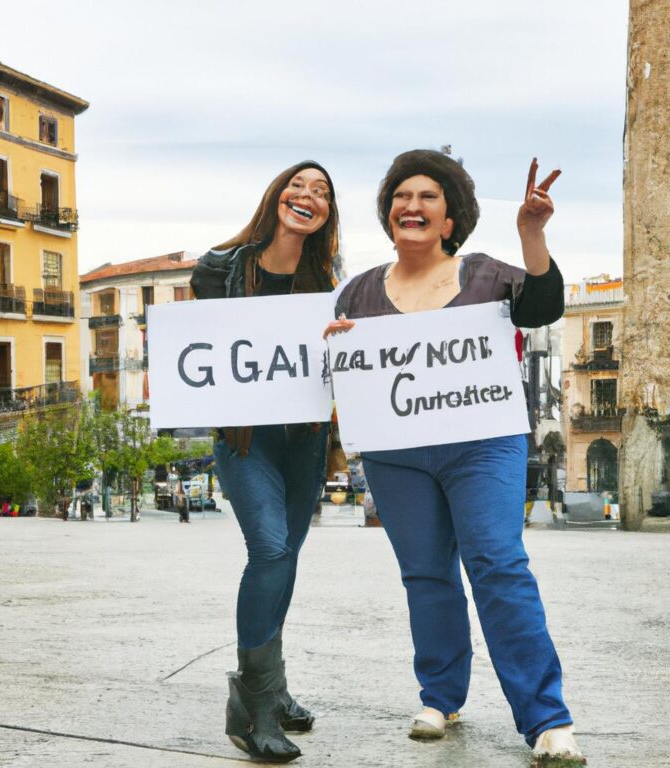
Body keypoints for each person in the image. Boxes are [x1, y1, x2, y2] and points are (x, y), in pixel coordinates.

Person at [324, 150, 584, 764]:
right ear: (390, 214)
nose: (411, 205)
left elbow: (544, 305)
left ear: (449, 219)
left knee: (498, 563)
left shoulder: (488, 274)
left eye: (427, 197)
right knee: (426, 575)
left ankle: (546, 717)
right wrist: (334, 346)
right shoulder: (357, 291)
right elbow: (340, 373)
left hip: (483, 445)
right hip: (396, 455)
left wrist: (531, 234)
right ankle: (441, 697)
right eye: (401, 196)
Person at [190, 161, 340, 762]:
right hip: (245, 439)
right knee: (271, 548)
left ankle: (273, 686)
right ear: (276, 196)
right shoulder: (218, 268)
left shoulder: (327, 279)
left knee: (287, 555)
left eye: (321, 193)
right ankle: (251, 702)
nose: (307, 196)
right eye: (298, 186)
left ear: (327, 215)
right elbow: (198, 348)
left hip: (303, 440)